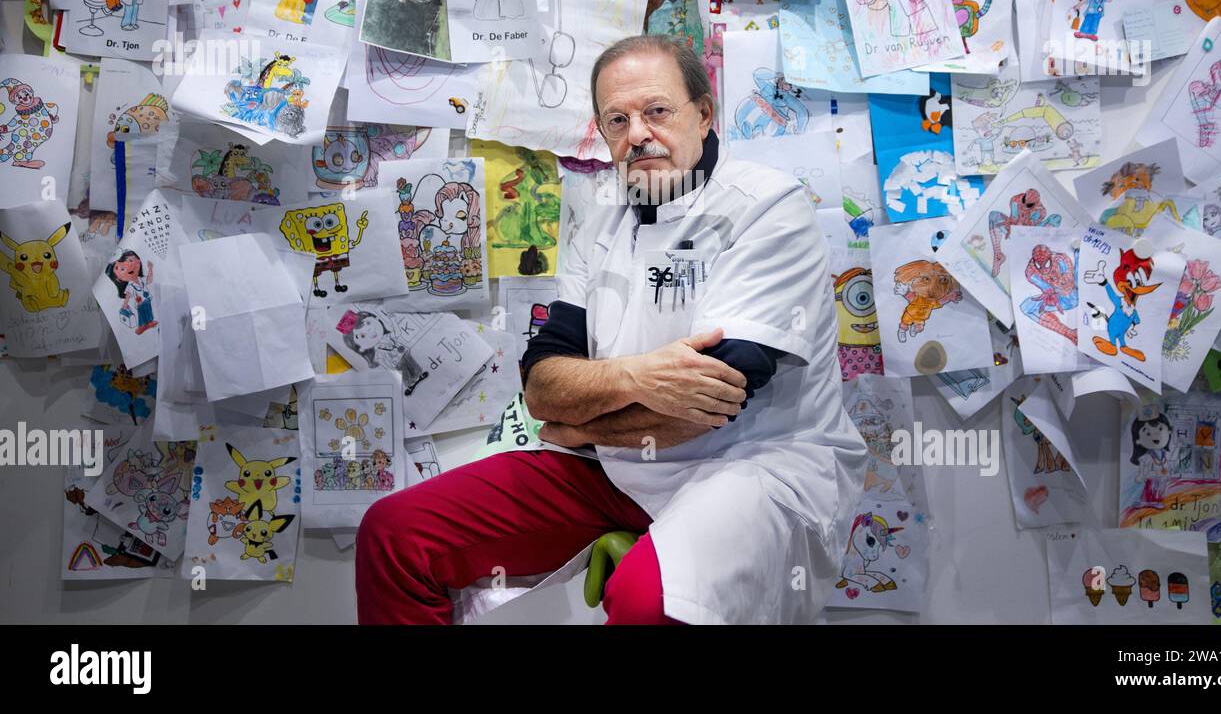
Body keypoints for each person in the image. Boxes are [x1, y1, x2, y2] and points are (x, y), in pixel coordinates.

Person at [356, 35, 868, 624]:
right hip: (614, 470)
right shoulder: (602, 217)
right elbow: (543, 386)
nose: (638, 134)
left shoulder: (766, 207)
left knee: (648, 602)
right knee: (397, 536)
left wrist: (581, 426)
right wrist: (637, 376)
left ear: (703, 113)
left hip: (751, 463)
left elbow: (713, 405)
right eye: (617, 120)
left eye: (656, 111)